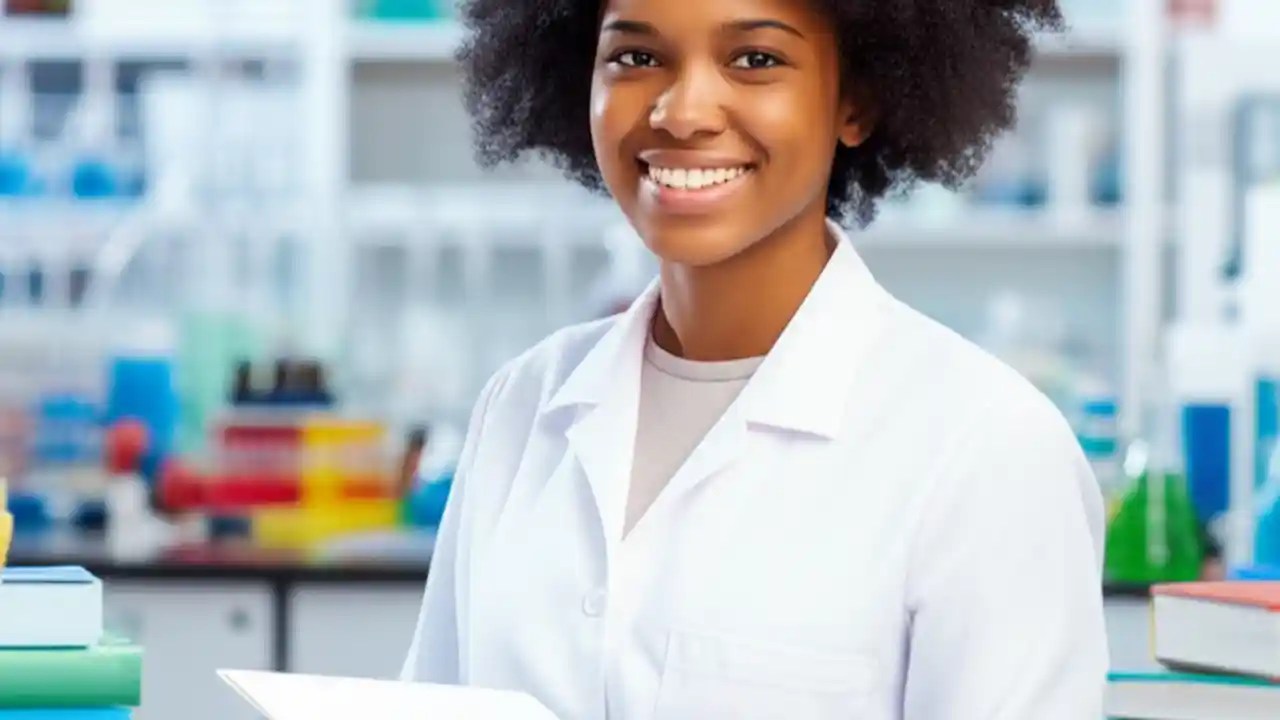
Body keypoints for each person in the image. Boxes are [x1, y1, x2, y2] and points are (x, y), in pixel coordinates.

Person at [402, 0, 1109, 717]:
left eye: (756, 60)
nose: (682, 112)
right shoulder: (520, 406)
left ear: (855, 102)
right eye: (636, 58)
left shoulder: (987, 447)